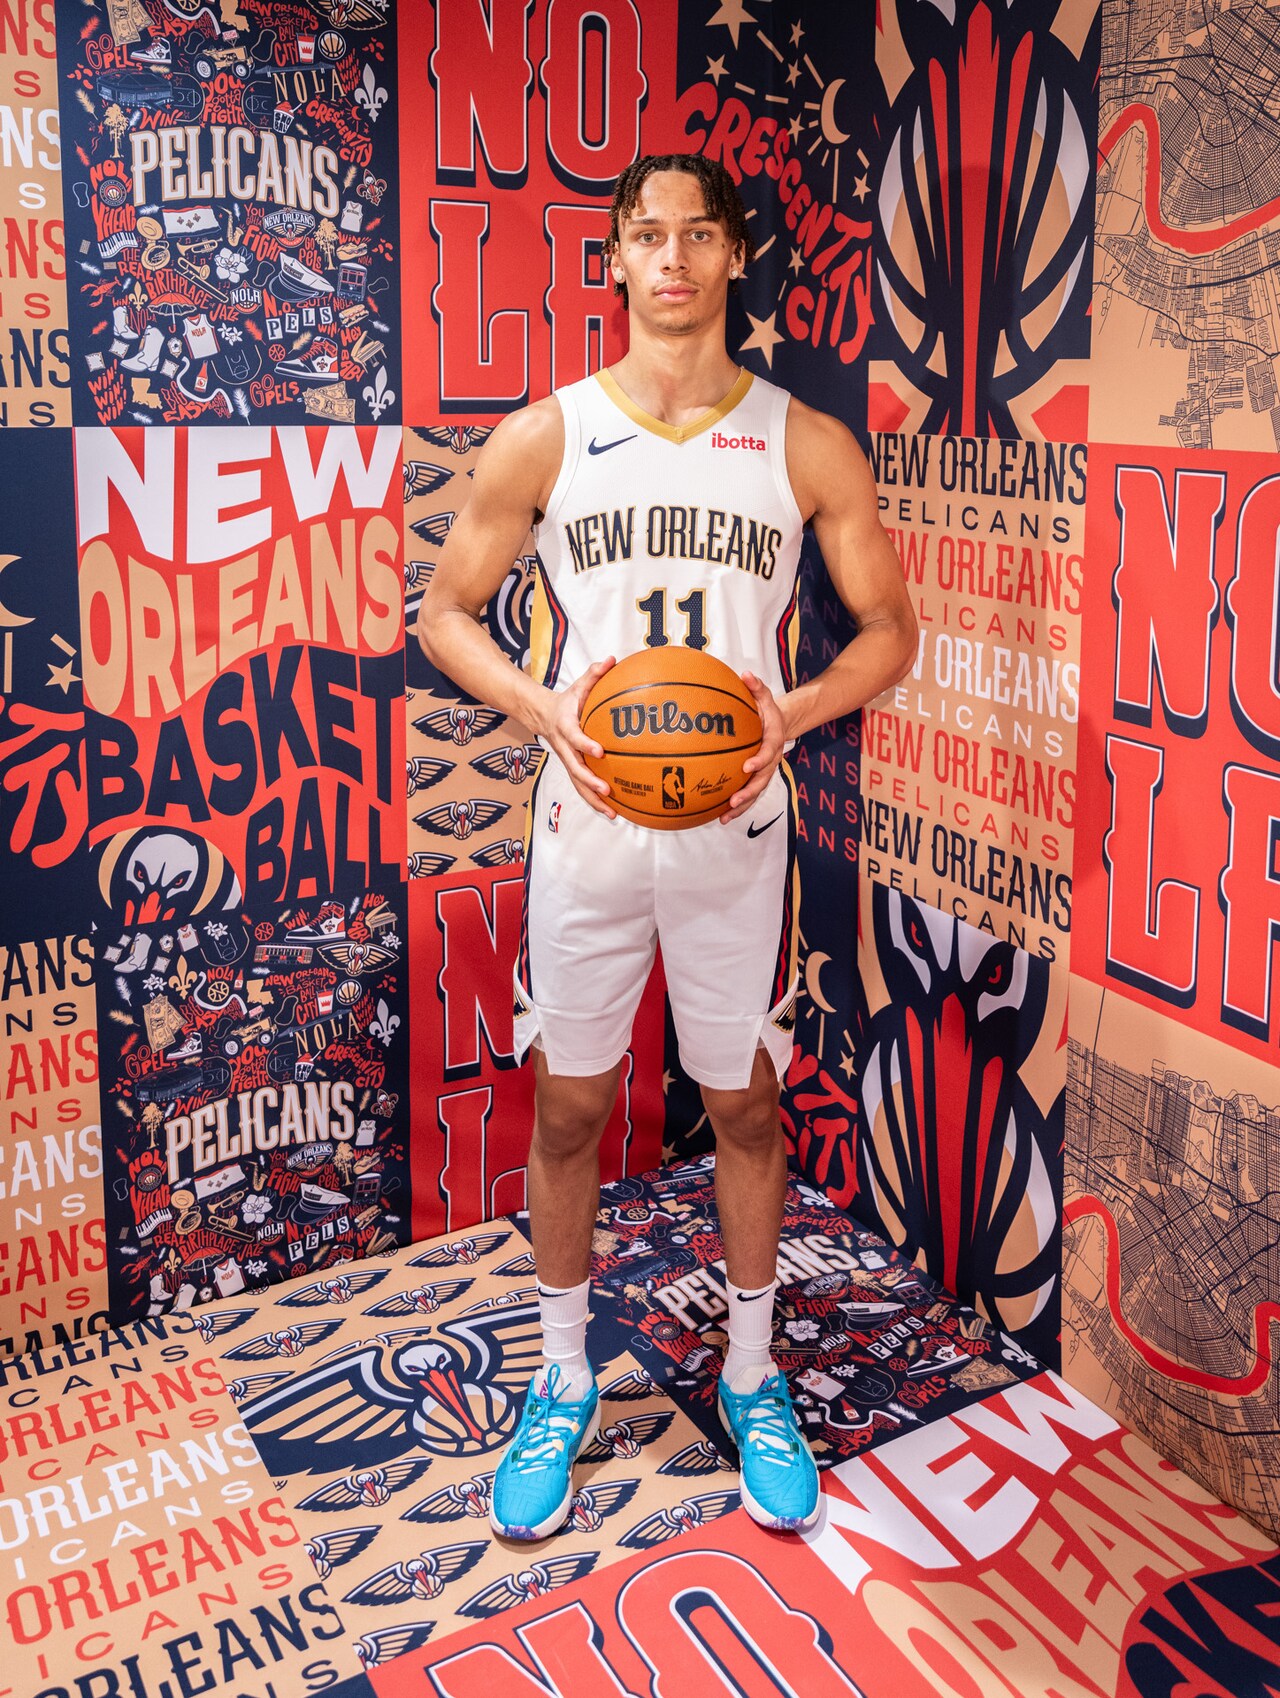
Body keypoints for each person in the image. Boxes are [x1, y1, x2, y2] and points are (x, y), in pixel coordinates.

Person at [418, 153, 918, 1540]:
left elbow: (891, 629)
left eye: (701, 234)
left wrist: (795, 710)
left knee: (745, 1106)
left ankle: (753, 1373)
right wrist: (545, 706)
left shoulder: (803, 442)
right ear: (617, 261)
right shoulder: (548, 438)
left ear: (732, 255)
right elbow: (447, 612)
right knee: (571, 1109)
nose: (676, 259)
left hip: (737, 834)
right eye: (649, 235)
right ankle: (565, 1373)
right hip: (586, 828)